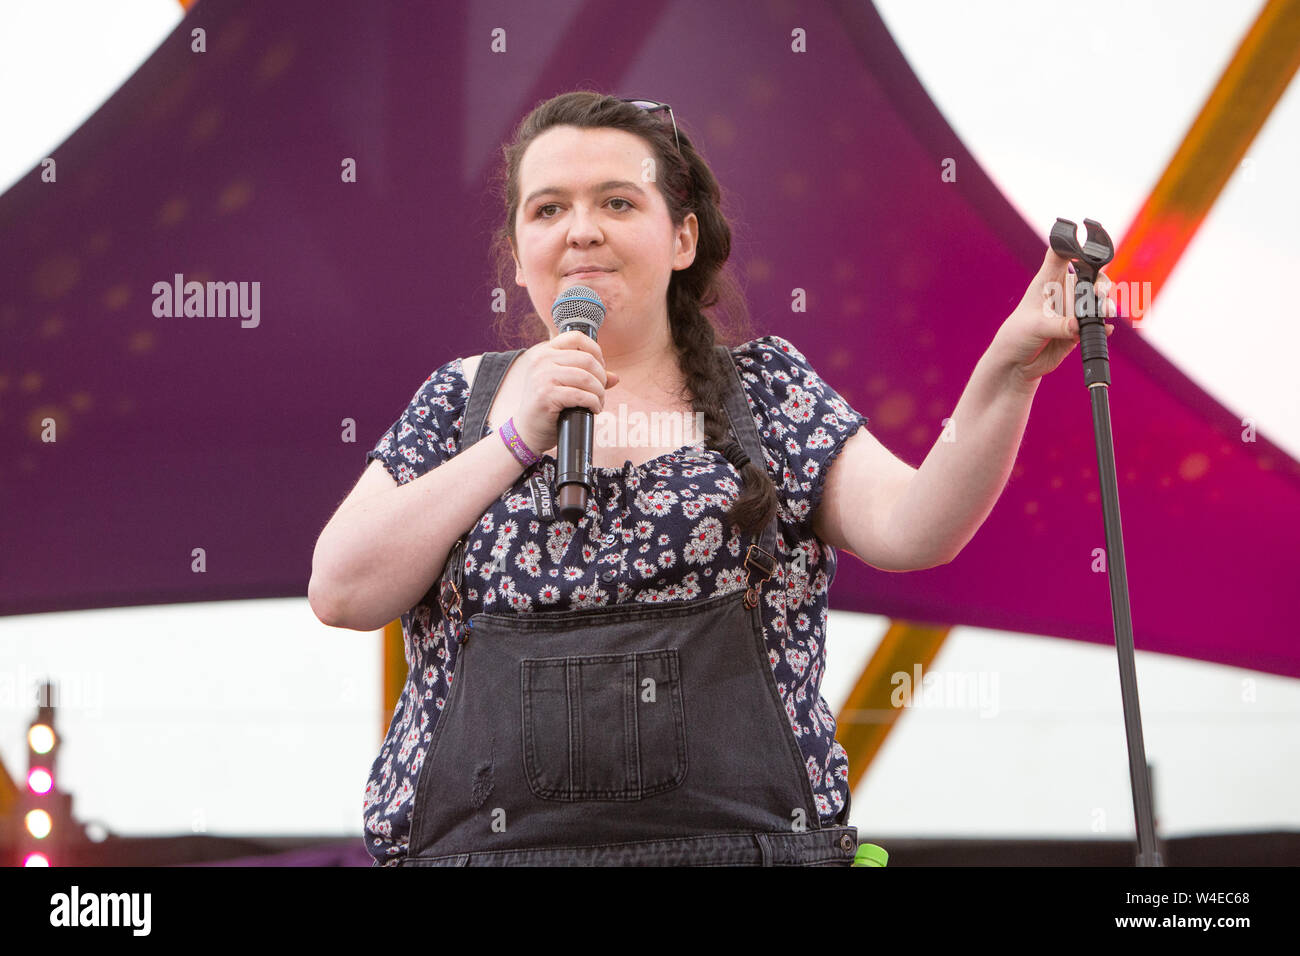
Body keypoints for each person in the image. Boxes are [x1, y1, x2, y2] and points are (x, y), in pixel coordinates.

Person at [308, 91, 1114, 867]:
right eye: (548, 209)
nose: (581, 231)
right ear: (517, 257)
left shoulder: (766, 392)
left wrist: (1008, 372)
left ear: (682, 238)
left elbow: (914, 529)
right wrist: (516, 441)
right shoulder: (459, 403)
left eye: (617, 203)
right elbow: (342, 592)